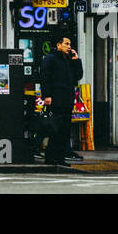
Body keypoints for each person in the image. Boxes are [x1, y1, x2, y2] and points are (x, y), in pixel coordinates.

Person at [39, 34, 82, 166]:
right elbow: (44, 77)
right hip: (55, 99)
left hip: (67, 100)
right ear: (58, 45)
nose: (69, 47)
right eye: (66, 44)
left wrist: (76, 60)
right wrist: (47, 95)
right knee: (55, 130)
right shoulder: (50, 59)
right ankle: (51, 158)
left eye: (70, 44)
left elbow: (78, 76)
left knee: (64, 130)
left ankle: (60, 158)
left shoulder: (69, 60)